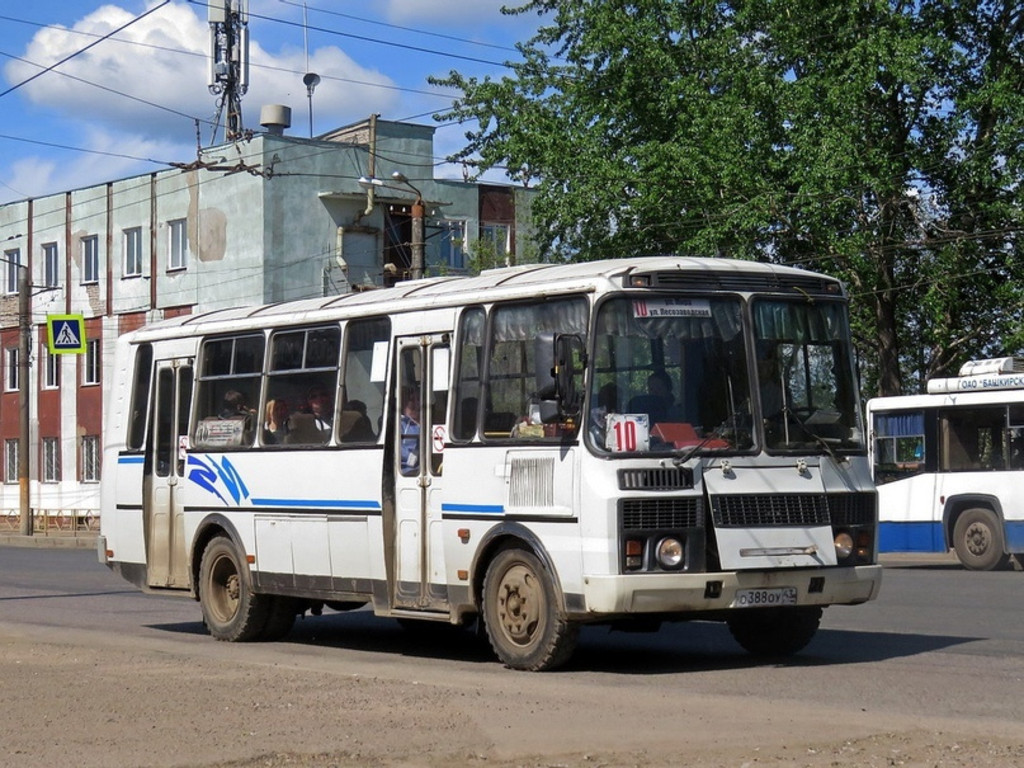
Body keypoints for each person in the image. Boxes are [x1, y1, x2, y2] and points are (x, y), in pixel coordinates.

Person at [400, 386, 421, 475]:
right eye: (411, 400)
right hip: (407, 471)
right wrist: (411, 458)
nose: (415, 403)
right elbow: (396, 447)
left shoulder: (426, 423)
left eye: (418, 399)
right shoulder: (401, 423)